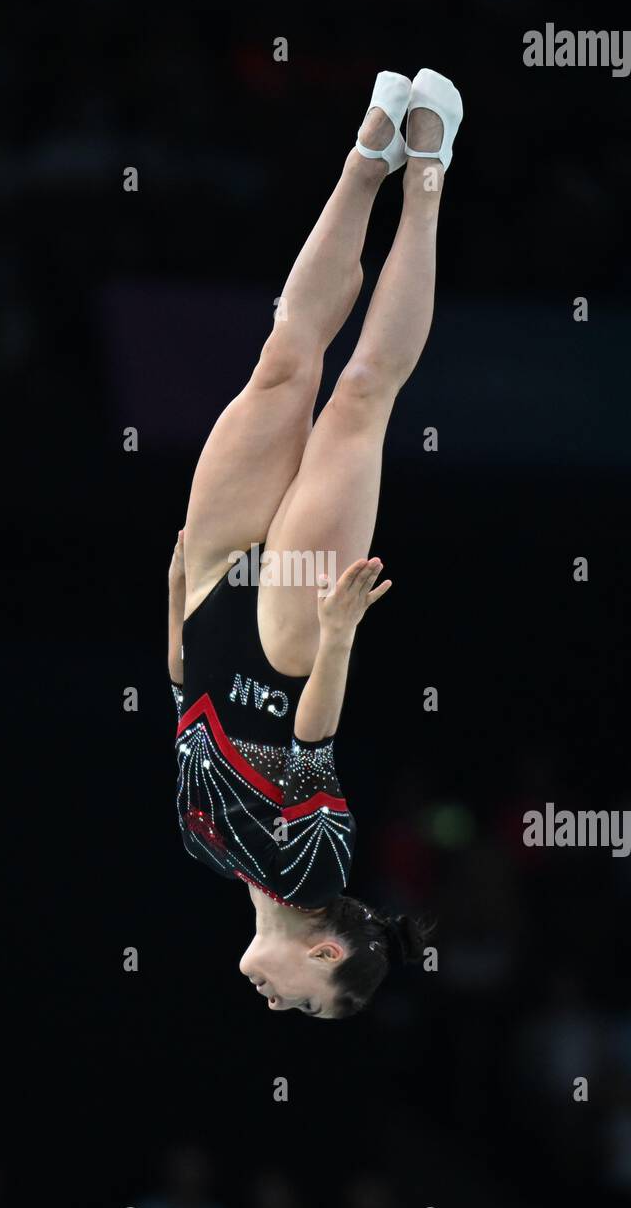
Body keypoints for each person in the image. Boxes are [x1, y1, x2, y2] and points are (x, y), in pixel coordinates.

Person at [168, 70, 461, 1018]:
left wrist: (180, 583)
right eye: (302, 1003)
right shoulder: (316, 868)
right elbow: (310, 748)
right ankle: (425, 174)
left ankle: (365, 158)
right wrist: (335, 639)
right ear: (329, 952)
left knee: (283, 361)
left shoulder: (206, 852)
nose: (274, 1004)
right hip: (291, 636)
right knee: (358, 400)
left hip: (214, 587)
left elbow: (182, 711)